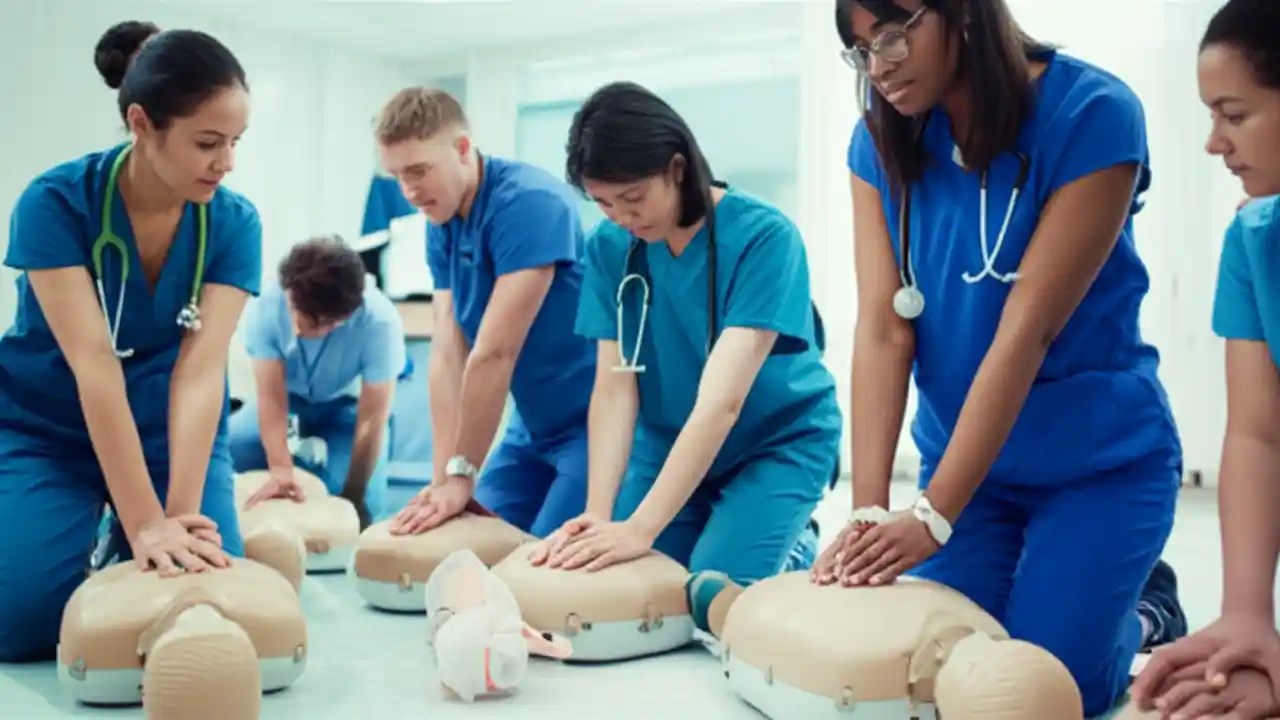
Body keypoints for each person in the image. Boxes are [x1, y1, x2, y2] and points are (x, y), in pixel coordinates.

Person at [809, 1, 1187, 716]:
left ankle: (1148, 612)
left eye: (892, 35)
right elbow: (884, 330)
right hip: (968, 467)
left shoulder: (1095, 114)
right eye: (860, 50)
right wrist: (869, 509)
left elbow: (1027, 330)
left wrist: (932, 518)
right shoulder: (879, 142)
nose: (878, 65)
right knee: (950, 665)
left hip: (1096, 462)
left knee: (1044, 683)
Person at [528, 81, 840, 635]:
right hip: (668, 440)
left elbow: (723, 401)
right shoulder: (608, 248)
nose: (621, 217)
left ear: (676, 167)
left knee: (709, 594)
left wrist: (641, 525)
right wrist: (602, 513)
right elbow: (614, 385)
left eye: (633, 198)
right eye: (603, 203)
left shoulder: (765, 237)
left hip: (773, 441)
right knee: (638, 584)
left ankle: (797, 540)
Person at [0, 21, 260, 662]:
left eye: (234, 142)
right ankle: (99, 525)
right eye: (207, 143)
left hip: (171, 436)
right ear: (142, 124)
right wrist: (146, 524)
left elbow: (201, 374)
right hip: (49, 429)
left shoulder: (233, 222)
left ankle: (124, 534)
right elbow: (94, 365)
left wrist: (176, 519)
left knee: (205, 594)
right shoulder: (56, 203)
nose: (225, 163)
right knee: (23, 625)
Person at [1131, 1, 1280, 717]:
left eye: (1234, 114)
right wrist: (1247, 624)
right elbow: (1257, 435)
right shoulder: (1253, 238)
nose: (1213, 144)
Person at [376, 87, 596, 538]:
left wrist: (463, 473)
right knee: (465, 548)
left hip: (593, 426)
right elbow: (447, 353)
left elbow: (495, 352)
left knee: (539, 569)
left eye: (419, 171)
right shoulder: (440, 221)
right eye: (397, 175)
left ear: (462, 149)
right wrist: (443, 480)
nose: (409, 191)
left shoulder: (530, 202)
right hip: (530, 430)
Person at [231, 235, 405, 528]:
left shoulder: (380, 322)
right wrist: (281, 468)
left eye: (317, 323)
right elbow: (271, 397)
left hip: (346, 407)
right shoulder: (267, 304)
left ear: (346, 315)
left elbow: (372, 418)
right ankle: (301, 469)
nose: (299, 329)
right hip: (288, 399)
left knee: (355, 504)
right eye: (297, 312)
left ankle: (321, 477)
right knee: (230, 449)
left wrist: (354, 497)